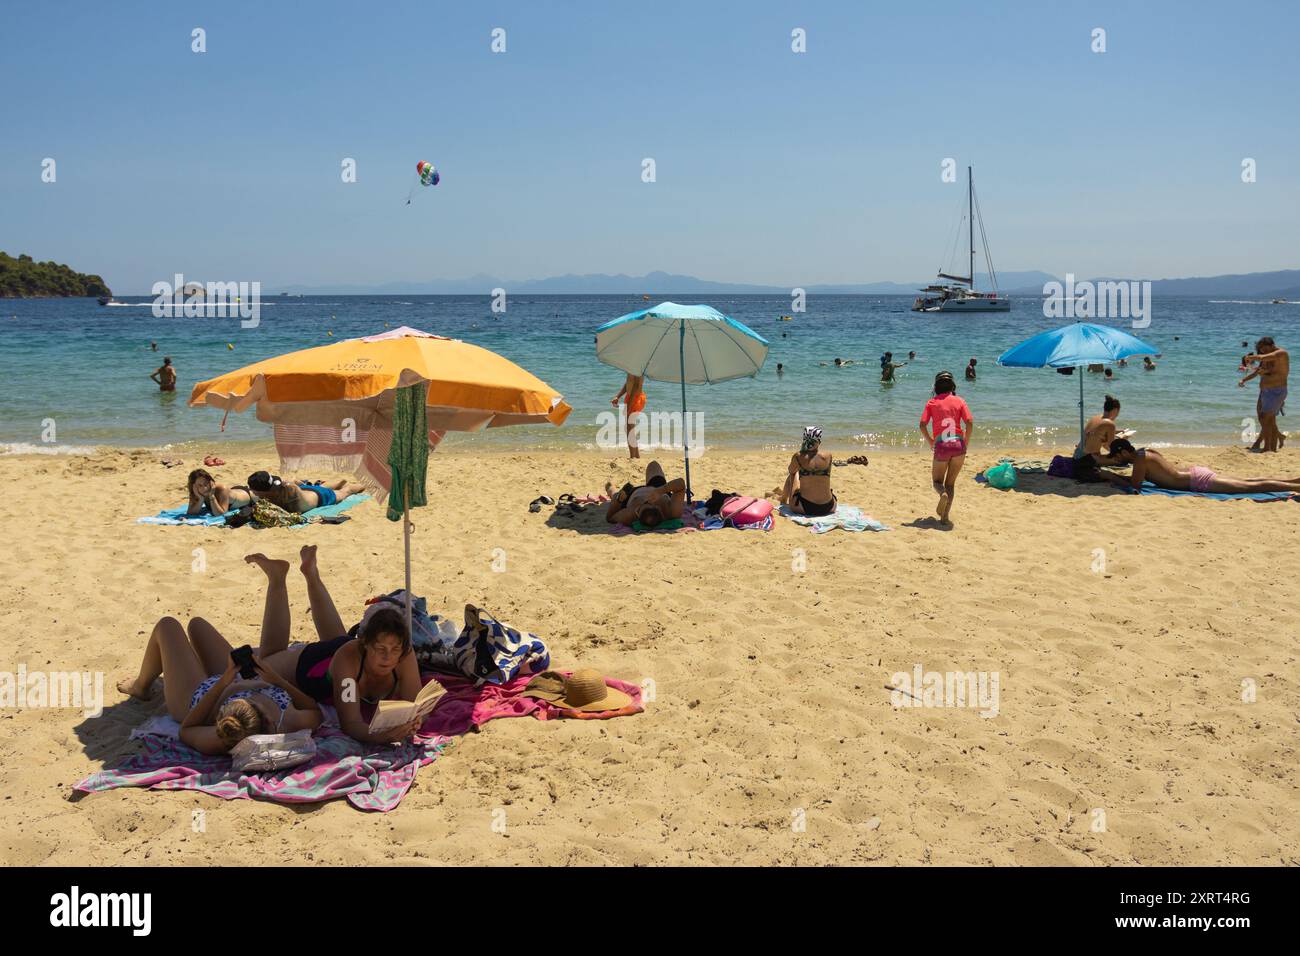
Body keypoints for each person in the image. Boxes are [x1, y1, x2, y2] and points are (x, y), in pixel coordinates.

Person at [118, 554, 323, 754]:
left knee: (168, 626)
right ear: (269, 720)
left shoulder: (220, 739)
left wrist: (225, 684)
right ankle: (276, 579)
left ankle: (141, 686)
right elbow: (315, 710)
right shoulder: (289, 720)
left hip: (198, 697)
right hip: (235, 678)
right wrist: (276, 680)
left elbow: (187, 730)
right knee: (197, 625)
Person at [266, 546, 425, 744]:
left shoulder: (403, 654)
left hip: (346, 650)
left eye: (394, 650)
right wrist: (380, 737)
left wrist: (415, 722)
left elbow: (415, 705)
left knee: (338, 639)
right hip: (312, 664)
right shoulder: (348, 665)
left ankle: (311, 574)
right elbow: (351, 723)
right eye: (381, 649)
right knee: (265, 659)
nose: (388, 657)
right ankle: (277, 578)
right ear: (366, 644)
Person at [1107, 438, 1300, 495]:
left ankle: (1293, 487)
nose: (1117, 461)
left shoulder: (1139, 461)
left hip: (1199, 482)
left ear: (1123, 452)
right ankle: (1292, 481)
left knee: (1250, 487)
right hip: (1195, 473)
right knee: (1247, 481)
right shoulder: (1145, 451)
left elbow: (1136, 485)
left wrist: (1109, 476)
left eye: (1116, 457)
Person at [919, 371, 972, 524]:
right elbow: (969, 422)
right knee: (951, 484)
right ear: (952, 385)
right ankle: (945, 517)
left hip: (942, 444)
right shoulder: (960, 401)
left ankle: (942, 494)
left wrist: (930, 441)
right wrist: (966, 442)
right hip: (958, 444)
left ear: (936, 387)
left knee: (937, 482)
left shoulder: (931, 403)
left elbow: (922, 425)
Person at [604, 461, 688, 529]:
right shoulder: (672, 512)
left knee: (615, 496)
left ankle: (610, 488)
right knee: (653, 464)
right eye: (648, 502)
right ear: (657, 507)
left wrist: (619, 500)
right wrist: (660, 491)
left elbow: (610, 518)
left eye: (641, 506)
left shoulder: (631, 514)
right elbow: (681, 484)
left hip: (632, 494)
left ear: (637, 514)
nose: (645, 500)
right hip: (657, 488)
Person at [1240, 336, 1289, 452]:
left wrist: (1249, 357)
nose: (1263, 352)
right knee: (1267, 419)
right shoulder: (1266, 358)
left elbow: (1264, 357)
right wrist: (1244, 380)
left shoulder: (1281, 353)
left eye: (1264, 349)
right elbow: (1260, 372)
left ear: (1271, 345)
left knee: (1266, 418)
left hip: (1276, 391)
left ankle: (1267, 447)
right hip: (1265, 392)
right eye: (1261, 350)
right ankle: (1273, 445)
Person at [780, 426, 836, 517]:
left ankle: (783, 499)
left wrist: (802, 452)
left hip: (806, 507)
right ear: (819, 441)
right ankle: (782, 497)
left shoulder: (798, 456)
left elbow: (791, 470)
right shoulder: (828, 456)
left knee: (794, 473)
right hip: (829, 506)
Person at [252, 472, 365, 513]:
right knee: (320, 487)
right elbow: (295, 480)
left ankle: (366, 485)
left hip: (320, 497)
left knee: (346, 492)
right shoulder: (285, 486)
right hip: (308, 491)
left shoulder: (289, 490)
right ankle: (339, 482)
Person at [186, 468, 253, 516]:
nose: (204, 488)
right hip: (232, 491)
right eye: (200, 485)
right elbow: (190, 513)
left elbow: (220, 514)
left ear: (210, 482)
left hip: (248, 495)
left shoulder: (221, 489)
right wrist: (201, 499)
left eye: (206, 484)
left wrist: (212, 496)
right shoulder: (195, 492)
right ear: (193, 486)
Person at [612, 373, 646, 460]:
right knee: (630, 428)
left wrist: (629, 405)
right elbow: (628, 383)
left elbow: (636, 386)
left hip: (635, 398)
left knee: (629, 429)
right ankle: (636, 456)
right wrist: (618, 396)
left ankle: (632, 457)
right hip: (631, 397)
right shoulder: (632, 366)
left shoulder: (638, 366)